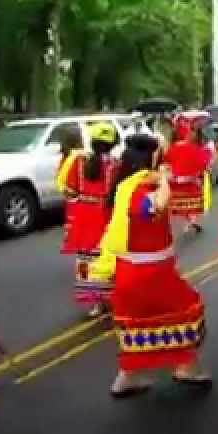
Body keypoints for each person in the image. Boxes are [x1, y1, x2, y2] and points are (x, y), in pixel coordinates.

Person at [104, 134, 211, 397]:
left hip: (129, 272)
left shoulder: (124, 186)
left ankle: (127, 377)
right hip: (150, 272)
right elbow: (150, 208)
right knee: (185, 311)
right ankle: (186, 367)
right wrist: (163, 180)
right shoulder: (136, 191)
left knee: (135, 322)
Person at [61, 123, 120, 316]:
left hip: (84, 215)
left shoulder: (79, 162)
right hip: (105, 214)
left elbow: (69, 190)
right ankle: (110, 298)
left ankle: (95, 302)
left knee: (87, 258)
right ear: (112, 143)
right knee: (107, 257)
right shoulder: (115, 165)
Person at [163, 116, 213, 235]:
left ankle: (189, 220)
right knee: (192, 206)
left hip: (176, 183)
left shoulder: (173, 147)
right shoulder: (195, 148)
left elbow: (166, 161)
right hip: (191, 182)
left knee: (181, 206)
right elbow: (204, 162)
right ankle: (191, 220)